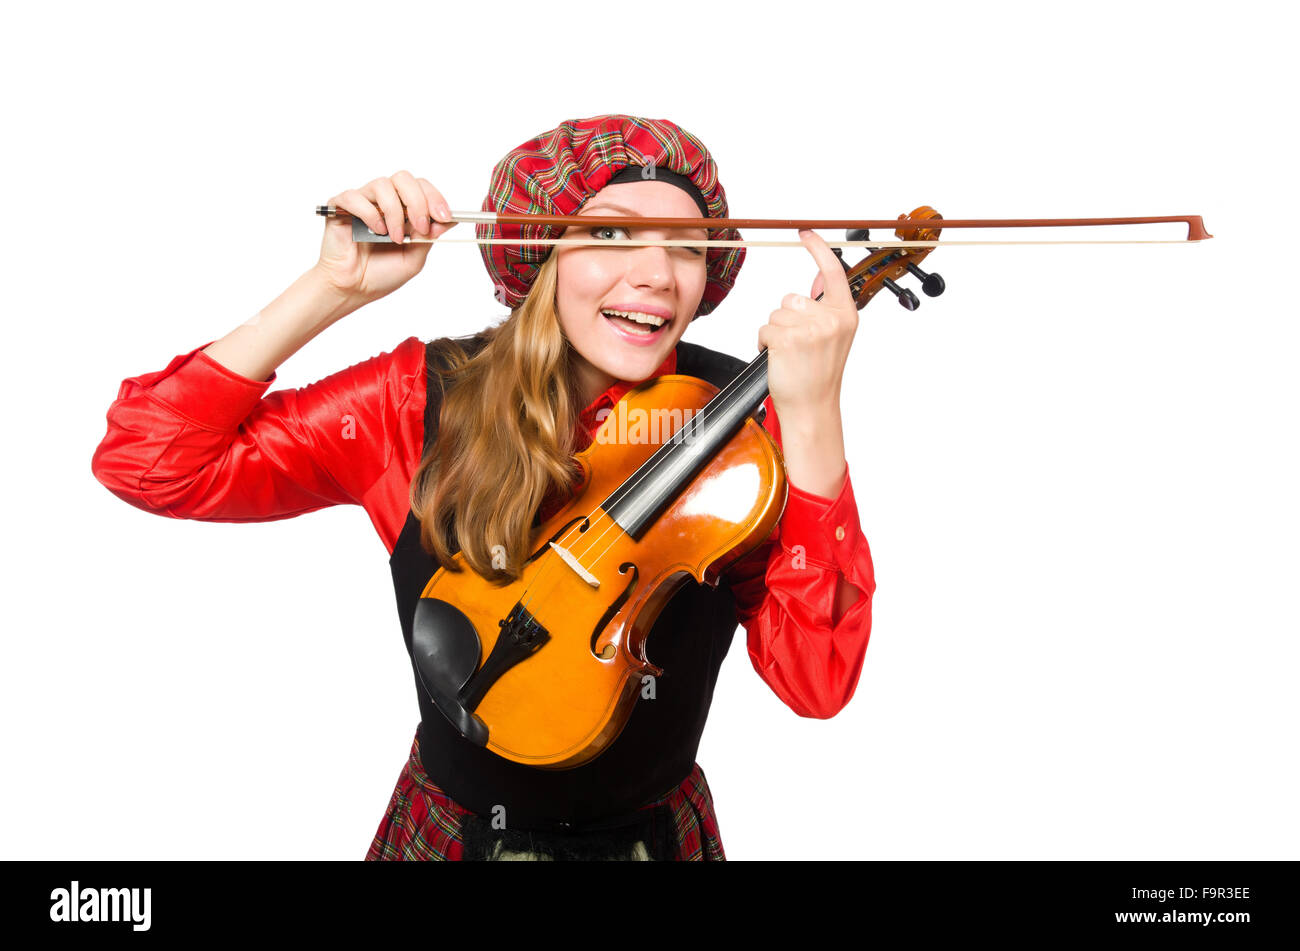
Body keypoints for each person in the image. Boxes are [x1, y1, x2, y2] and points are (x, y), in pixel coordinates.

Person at [91, 114, 877, 861]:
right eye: (608, 233)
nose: (655, 275)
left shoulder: (743, 430)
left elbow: (817, 681)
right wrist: (333, 287)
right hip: (450, 837)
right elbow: (149, 459)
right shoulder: (416, 400)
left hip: (655, 840)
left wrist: (811, 419)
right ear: (539, 251)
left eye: (686, 246)